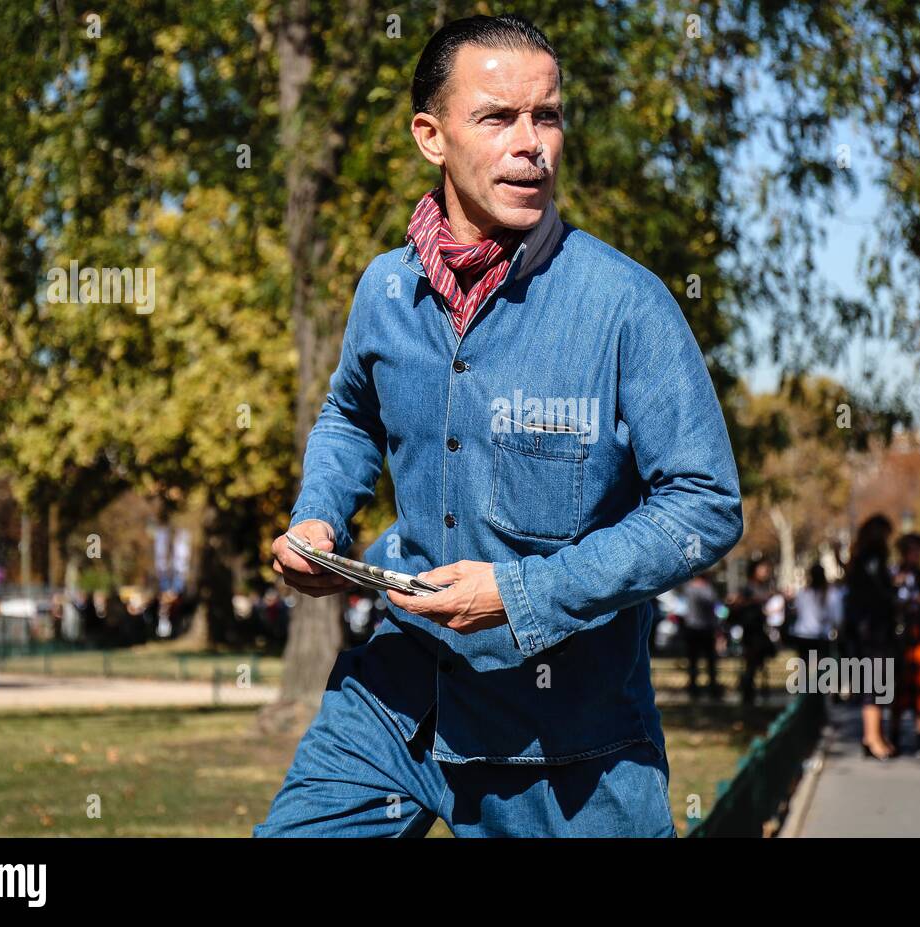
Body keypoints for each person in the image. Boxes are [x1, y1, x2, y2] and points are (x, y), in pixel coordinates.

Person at [256, 15, 743, 838]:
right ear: (431, 136)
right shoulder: (382, 290)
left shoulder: (626, 304)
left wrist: (519, 594)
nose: (533, 145)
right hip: (397, 698)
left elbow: (704, 503)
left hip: (569, 740)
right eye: (497, 118)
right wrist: (319, 515)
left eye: (546, 116)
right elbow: (348, 413)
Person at [845, 514, 897, 760]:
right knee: (874, 683)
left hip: (868, 627)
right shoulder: (872, 558)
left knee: (875, 682)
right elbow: (878, 592)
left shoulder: (861, 558)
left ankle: (875, 734)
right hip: (873, 629)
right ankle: (872, 736)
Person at [889, 534, 920, 754]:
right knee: (898, 690)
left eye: (918, 550)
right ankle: (894, 737)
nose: (915, 555)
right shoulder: (893, 575)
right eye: (911, 550)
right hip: (899, 640)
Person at [726, 561, 780, 706]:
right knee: (752, 663)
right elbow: (740, 606)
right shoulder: (748, 589)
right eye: (762, 569)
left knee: (757, 662)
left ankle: (752, 689)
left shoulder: (761, 588)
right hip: (751, 632)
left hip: (759, 630)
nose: (765, 572)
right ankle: (748, 691)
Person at [680, 574, 723, 700]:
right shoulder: (704, 588)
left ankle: (704, 687)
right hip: (698, 628)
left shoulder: (689, 587)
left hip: (701, 627)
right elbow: (713, 603)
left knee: (702, 660)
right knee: (701, 660)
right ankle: (700, 687)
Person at [791, 563, 840, 664]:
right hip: (822, 636)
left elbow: (797, 612)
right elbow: (837, 618)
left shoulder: (803, 593)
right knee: (821, 671)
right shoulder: (832, 594)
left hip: (803, 635)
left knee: (805, 670)